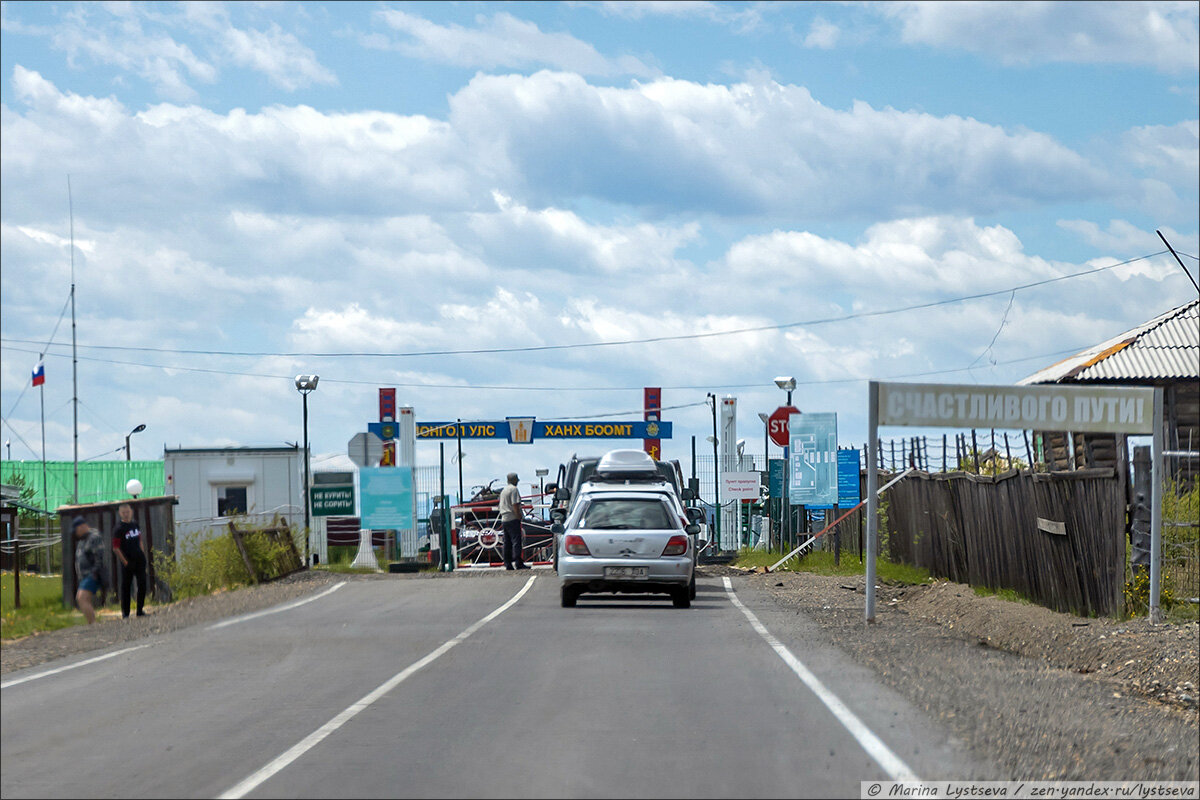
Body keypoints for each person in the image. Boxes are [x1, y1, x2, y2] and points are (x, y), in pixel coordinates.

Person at [111, 503, 148, 618]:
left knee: (142, 584)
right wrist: (126, 562)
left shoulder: (135, 525)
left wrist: (142, 553)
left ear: (131, 512)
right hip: (128, 561)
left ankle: (140, 610)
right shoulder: (119, 529)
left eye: (128, 512)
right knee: (126, 587)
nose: (126, 514)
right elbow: (116, 548)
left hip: (139, 559)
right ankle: (125, 613)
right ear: (120, 513)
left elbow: (140, 540)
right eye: (123, 512)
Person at [73, 516, 106, 624]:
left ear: (82, 527)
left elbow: (99, 556)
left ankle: (93, 623)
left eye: (76, 530)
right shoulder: (82, 540)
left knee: (81, 598)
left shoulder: (94, 537)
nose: (75, 533)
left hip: (92, 574)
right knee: (84, 599)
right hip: (84, 576)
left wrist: (95, 572)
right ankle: (91, 623)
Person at [498, 472, 527, 570]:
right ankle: (518, 562)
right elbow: (515, 504)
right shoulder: (514, 490)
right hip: (512, 517)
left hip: (504, 518)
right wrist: (518, 515)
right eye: (517, 479)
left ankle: (507, 563)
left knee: (507, 542)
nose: (518, 481)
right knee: (516, 541)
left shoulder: (504, 490)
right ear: (514, 480)